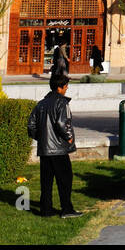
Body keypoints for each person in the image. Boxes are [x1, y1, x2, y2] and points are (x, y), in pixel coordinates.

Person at [26, 74, 80, 218]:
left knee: (46, 182)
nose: (67, 88)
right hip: (59, 149)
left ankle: (46, 210)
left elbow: (31, 125)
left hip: (45, 150)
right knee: (65, 180)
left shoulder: (41, 104)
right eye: (66, 86)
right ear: (59, 87)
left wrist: (41, 138)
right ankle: (66, 209)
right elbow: (62, 123)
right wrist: (69, 138)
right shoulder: (61, 103)